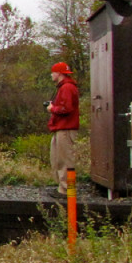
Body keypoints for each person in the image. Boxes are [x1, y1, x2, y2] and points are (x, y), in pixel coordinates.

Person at [47, 62, 79, 198]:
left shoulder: (66, 87)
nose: (51, 75)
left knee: (66, 160)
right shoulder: (66, 87)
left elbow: (67, 108)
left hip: (66, 128)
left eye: (53, 72)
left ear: (58, 73)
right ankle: (62, 188)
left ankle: (67, 191)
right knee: (58, 159)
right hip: (61, 128)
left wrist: (52, 109)